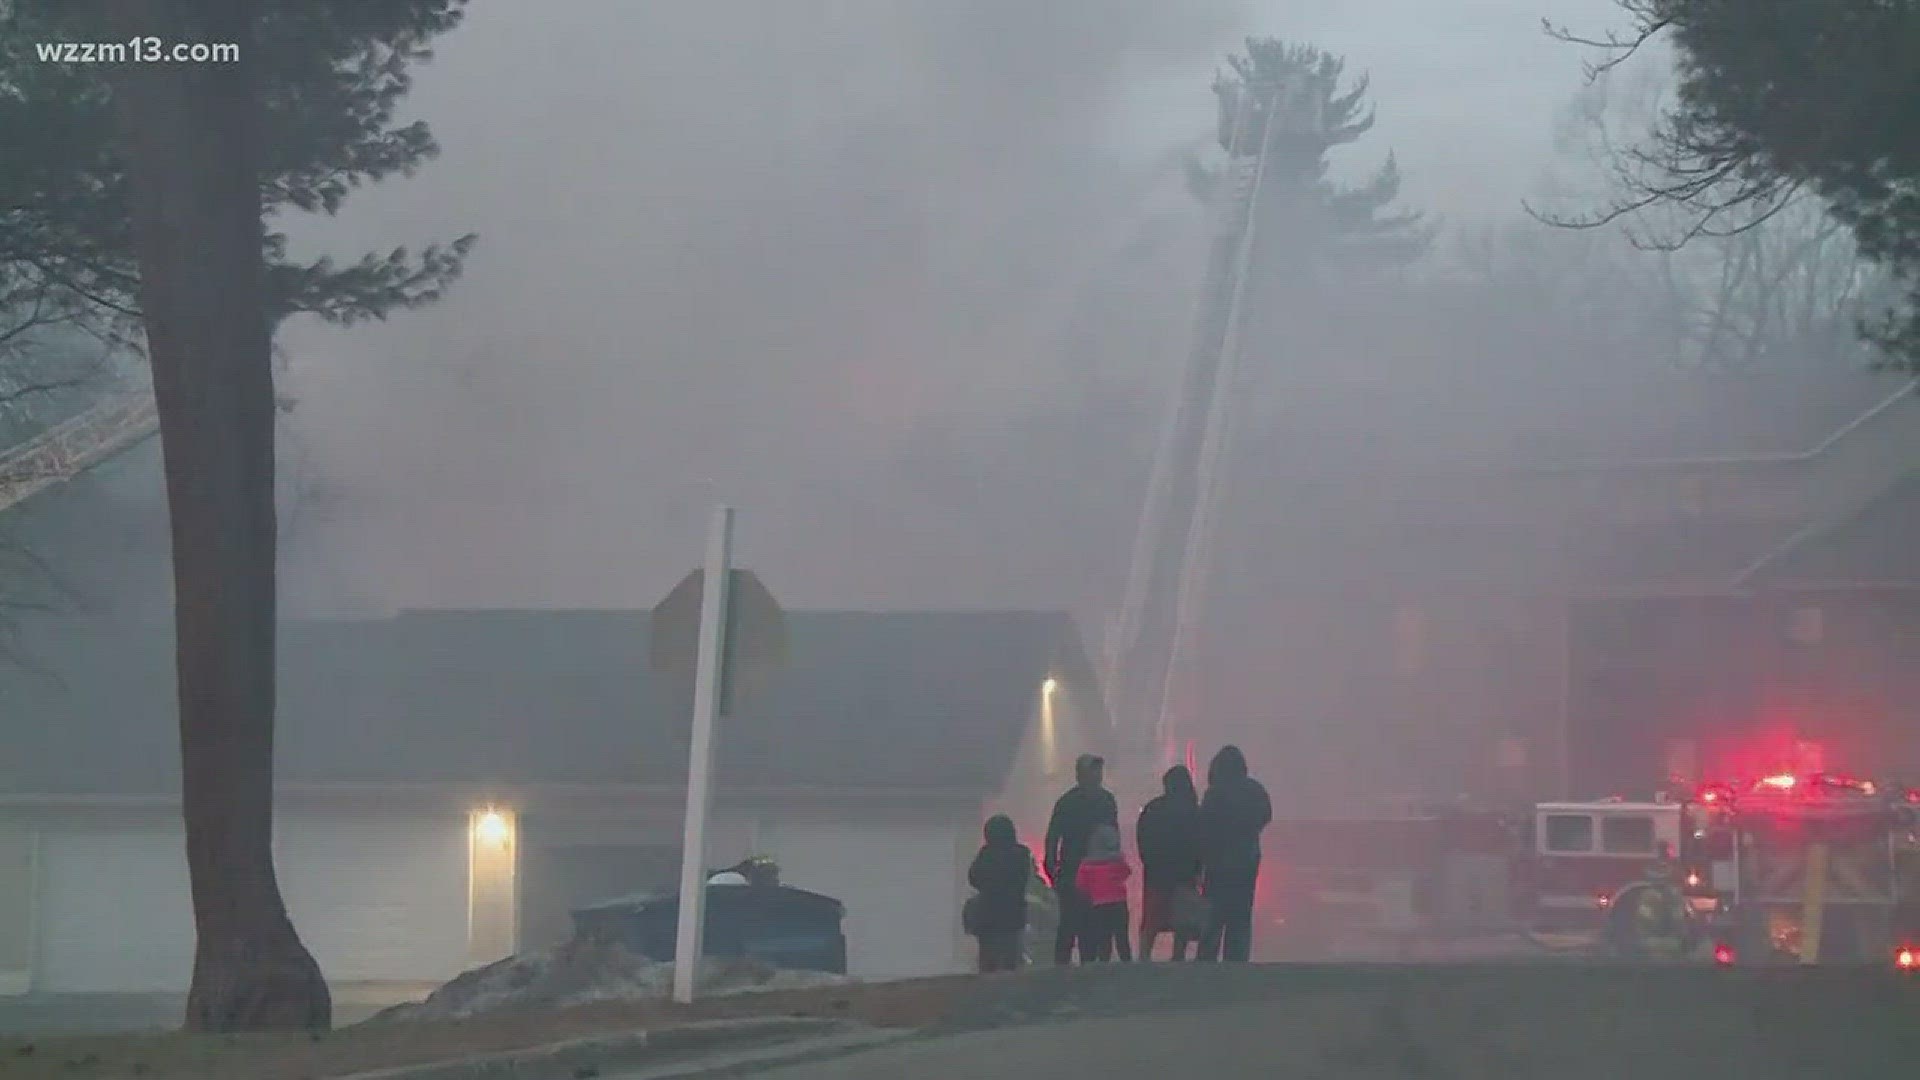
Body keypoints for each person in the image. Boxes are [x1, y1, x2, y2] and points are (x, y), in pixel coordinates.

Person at [1197, 745, 1272, 963]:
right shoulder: (1254, 789)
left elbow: (1204, 827)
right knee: (1240, 913)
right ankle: (1237, 959)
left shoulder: (1215, 793)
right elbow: (1266, 814)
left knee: (1214, 911)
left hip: (1217, 862)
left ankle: (1207, 957)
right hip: (1246, 859)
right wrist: (1250, 829)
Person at [1044, 753, 1120, 963]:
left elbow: (1113, 837)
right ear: (1080, 775)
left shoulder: (1101, 801)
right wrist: (1053, 869)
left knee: (1089, 924)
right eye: (1093, 771)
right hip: (1075, 871)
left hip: (1092, 872)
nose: (1097, 776)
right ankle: (1067, 967)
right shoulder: (1074, 802)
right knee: (1071, 923)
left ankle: (1078, 966)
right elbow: (1053, 838)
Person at [1135, 764, 1204, 961]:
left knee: (1152, 920)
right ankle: (1178, 957)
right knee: (1181, 921)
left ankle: (1143, 957)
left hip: (1157, 875)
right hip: (1184, 875)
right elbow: (1199, 842)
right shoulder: (1193, 810)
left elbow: (1143, 839)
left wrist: (1148, 862)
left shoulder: (1153, 808)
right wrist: (1198, 870)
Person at [965, 815, 1033, 973]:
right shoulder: (1021, 854)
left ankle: (987, 986)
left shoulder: (986, 854)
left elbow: (973, 877)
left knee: (988, 957)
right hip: (1013, 912)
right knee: (1010, 956)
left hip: (988, 912)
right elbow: (1022, 879)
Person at [1075, 823, 1133, 962]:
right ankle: (1127, 962)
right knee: (1121, 937)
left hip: (1099, 905)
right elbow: (1126, 873)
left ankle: (1103, 964)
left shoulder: (1086, 865)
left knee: (1103, 937)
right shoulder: (1117, 861)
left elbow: (1081, 885)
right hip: (1118, 902)